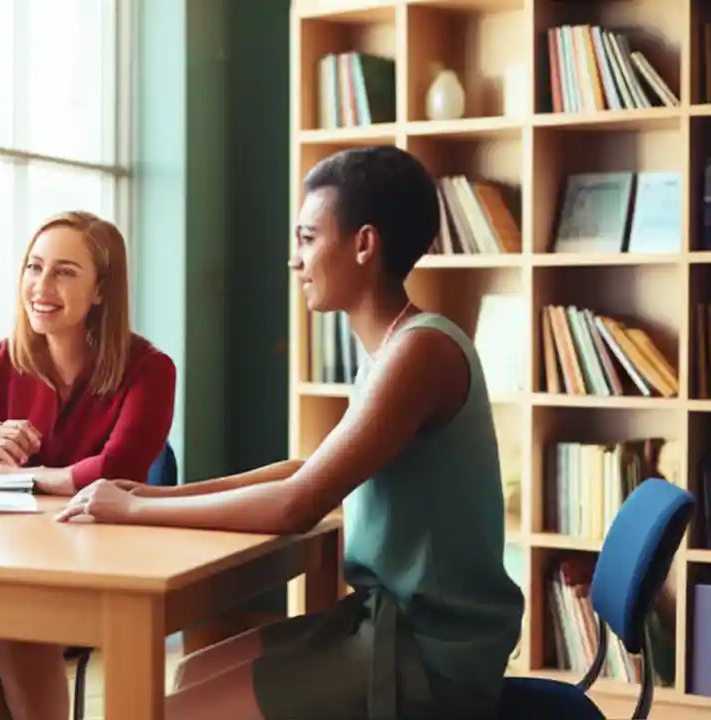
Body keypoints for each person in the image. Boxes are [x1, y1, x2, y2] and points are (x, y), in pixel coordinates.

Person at [57, 146, 525, 719]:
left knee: (168, 713)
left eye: (307, 238)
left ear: (363, 244)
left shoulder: (419, 352)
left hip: (428, 653)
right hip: (382, 620)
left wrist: (132, 512)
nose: (293, 260)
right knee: (193, 669)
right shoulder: (394, 348)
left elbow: (297, 505)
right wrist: (153, 495)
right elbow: (307, 469)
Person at [0, 210, 176, 720]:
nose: (41, 285)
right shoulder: (5, 360)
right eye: (34, 267)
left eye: (64, 271)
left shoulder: (150, 369)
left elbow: (116, 467)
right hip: (12, 566)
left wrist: (21, 477)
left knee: (18, 626)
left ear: (102, 290)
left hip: (102, 573)